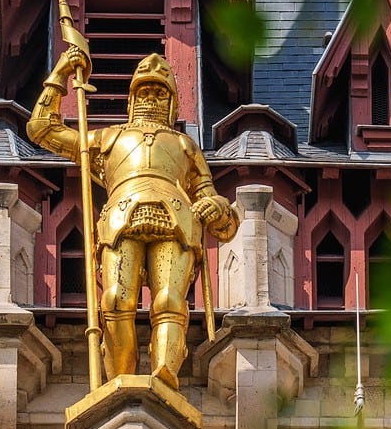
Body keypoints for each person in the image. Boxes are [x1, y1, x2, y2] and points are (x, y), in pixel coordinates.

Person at [27, 50, 238, 389]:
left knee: (170, 299)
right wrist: (61, 71)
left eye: (159, 91)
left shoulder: (185, 145)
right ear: (133, 97)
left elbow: (212, 201)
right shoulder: (108, 137)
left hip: (176, 220)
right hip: (121, 217)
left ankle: (166, 373)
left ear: (170, 100)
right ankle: (120, 380)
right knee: (114, 300)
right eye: (145, 90)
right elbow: (42, 129)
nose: (151, 96)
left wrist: (217, 207)